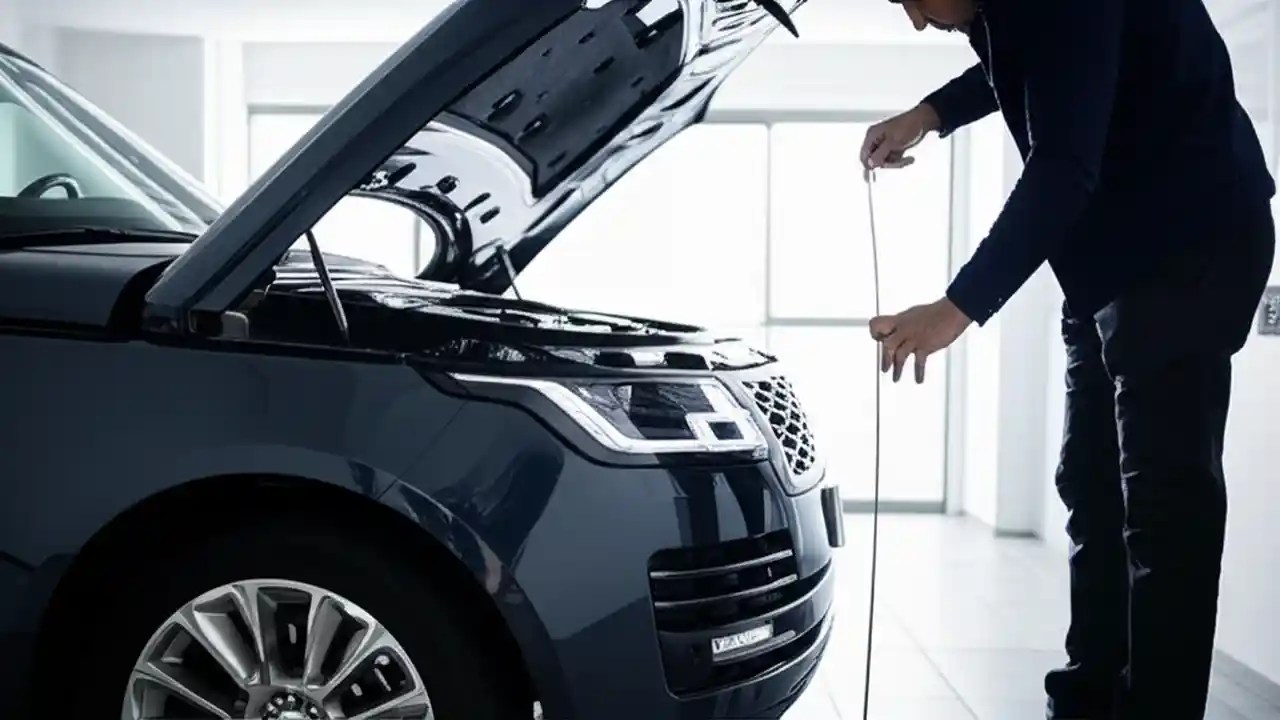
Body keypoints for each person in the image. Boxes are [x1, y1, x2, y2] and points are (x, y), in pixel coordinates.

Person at [860, 1, 1277, 718]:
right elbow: (1036, 72)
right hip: (1112, 254)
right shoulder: (1009, 12)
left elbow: (1061, 168)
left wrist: (955, 309)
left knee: (1164, 505)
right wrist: (928, 114)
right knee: (1088, 477)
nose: (917, 23)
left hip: (1189, 242)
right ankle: (1089, 696)